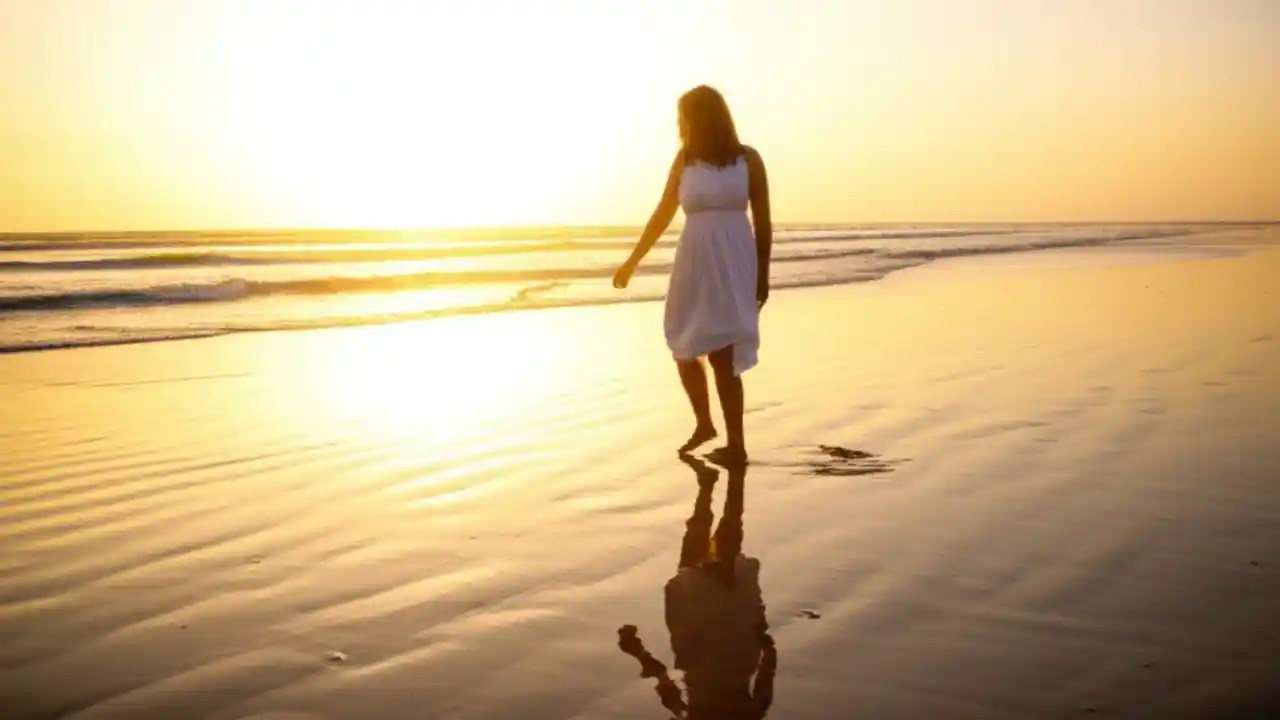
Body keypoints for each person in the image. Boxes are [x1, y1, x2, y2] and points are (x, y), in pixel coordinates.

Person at [613, 85, 772, 466]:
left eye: (683, 117)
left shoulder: (749, 160)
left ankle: (737, 445)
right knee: (682, 342)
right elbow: (664, 212)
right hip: (695, 263)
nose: (678, 124)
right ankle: (704, 423)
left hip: (734, 262)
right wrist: (632, 261)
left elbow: (763, 222)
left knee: (724, 356)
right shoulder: (686, 160)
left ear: (702, 117)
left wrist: (763, 275)